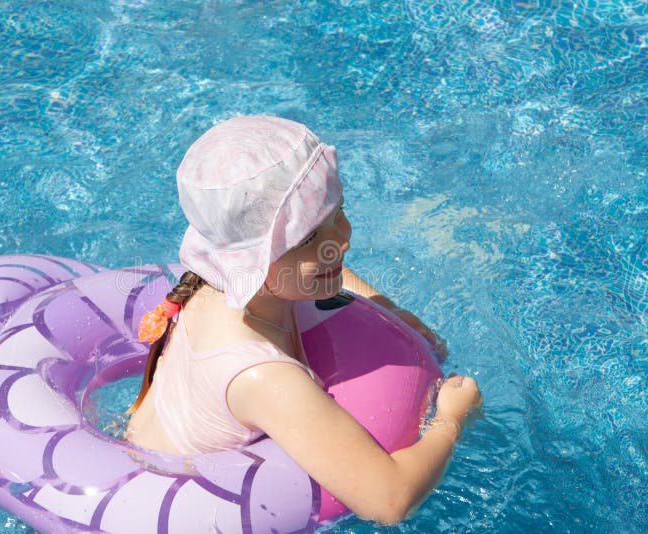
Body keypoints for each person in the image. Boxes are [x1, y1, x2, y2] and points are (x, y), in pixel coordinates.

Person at [124, 115, 482, 525]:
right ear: (254, 260)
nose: (342, 239)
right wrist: (451, 418)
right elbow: (389, 501)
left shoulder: (227, 284)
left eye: (338, 211)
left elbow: (327, 273)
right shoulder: (262, 377)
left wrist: (387, 309)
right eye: (310, 237)